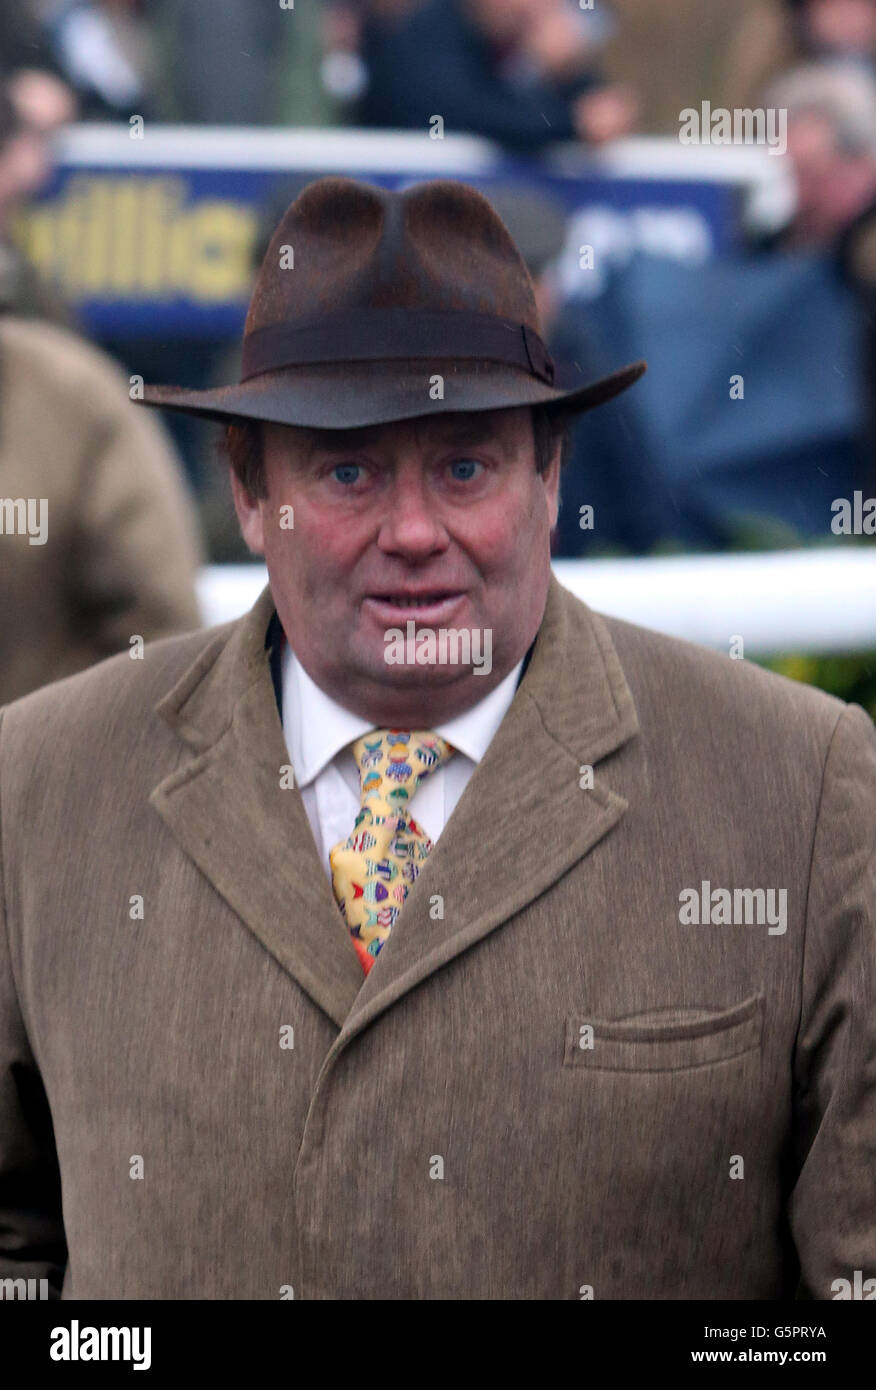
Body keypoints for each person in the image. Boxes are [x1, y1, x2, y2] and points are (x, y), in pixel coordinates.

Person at [0, 176, 872, 1300]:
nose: (413, 534)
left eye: (465, 466)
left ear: (551, 475)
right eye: (348, 470)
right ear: (249, 487)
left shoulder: (798, 789)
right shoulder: (40, 787)